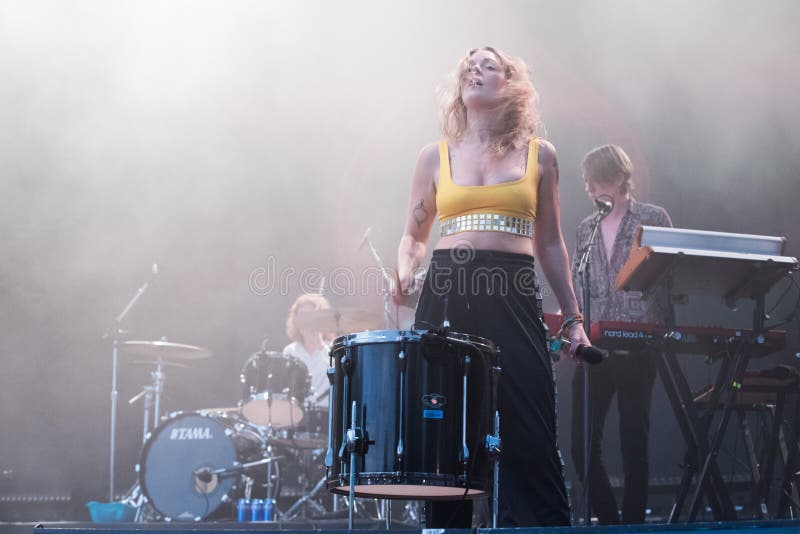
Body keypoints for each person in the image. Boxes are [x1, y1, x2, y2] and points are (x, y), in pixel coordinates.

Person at [394, 46, 590, 528]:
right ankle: (446, 525)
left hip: (513, 286)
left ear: (511, 83)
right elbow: (414, 236)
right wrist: (404, 268)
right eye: (468, 65)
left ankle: (537, 525)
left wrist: (574, 319)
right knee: (443, 427)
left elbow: (551, 244)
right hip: (447, 284)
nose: (473, 69)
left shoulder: (540, 156)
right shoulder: (433, 156)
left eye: (488, 64)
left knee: (529, 422)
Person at [570, 144, 673, 524]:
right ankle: (611, 526)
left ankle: (633, 527)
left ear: (616, 177)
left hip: (638, 346)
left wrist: (653, 326)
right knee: (582, 448)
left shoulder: (653, 218)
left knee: (634, 444)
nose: (588, 188)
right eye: (586, 182)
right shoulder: (586, 227)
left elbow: (667, 277)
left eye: (593, 179)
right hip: (595, 347)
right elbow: (581, 288)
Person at [283, 293, 333, 408]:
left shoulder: (333, 350)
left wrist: (320, 345)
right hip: (299, 416)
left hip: (327, 417)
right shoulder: (290, 351)